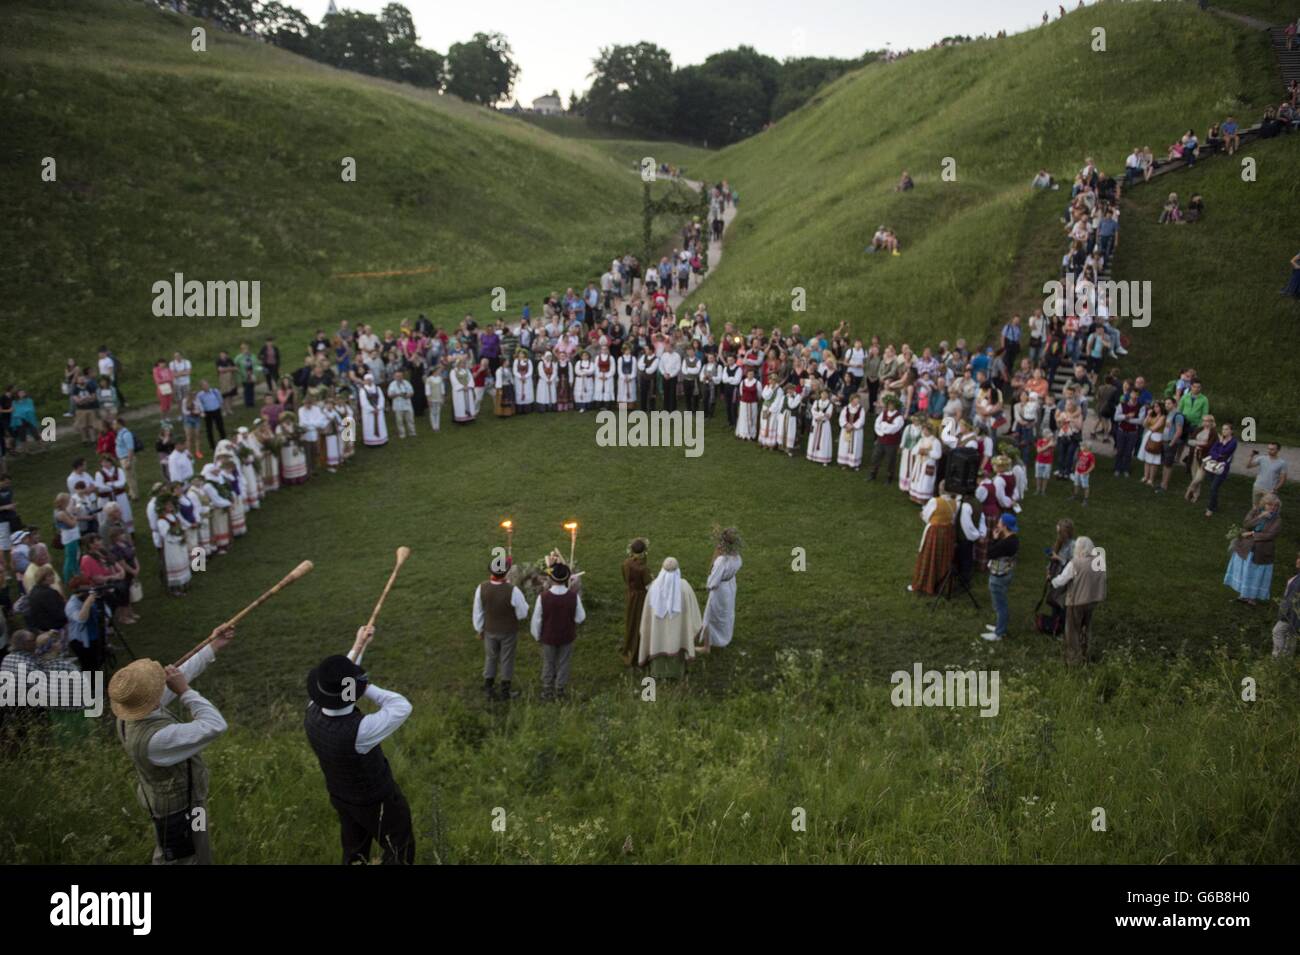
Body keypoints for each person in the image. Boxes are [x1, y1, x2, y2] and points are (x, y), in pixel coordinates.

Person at [108, 623, 234, 865]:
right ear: (152, 698)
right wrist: (185, 691)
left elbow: (178, 674)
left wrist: (212, 646)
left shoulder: (131, 713)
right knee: (189, 856)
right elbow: (215, 724)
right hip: (182, 809)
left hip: (168, 801)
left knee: (180, 849)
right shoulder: (157, 740)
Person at [304, 625, 415, 865]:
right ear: (353, 690)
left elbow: (336, 677)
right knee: (399, 847)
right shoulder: (360, 731)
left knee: (354, 850)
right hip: (377, 800)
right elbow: (402, 706)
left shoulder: (311, 709)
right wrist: (364, 685)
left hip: (340, 795)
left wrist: (359, 645)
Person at [472, 559, 529, 701]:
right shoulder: (513, 590)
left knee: (491, 657)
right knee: (507, 659)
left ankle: (488, 688)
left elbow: (477, 611)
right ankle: (505, 691)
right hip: (508, 631)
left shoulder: (482, 587)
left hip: (490, 630)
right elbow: (523, 613)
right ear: (506, 573)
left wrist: (479, 628)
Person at [637, 557, 702, 679]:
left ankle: (658, 671)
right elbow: (694, 611)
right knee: (675, 641)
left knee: (658, 640)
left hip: (658, 633)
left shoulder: (654, 587)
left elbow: (647, 613)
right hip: (678, 631)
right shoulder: (685, 587)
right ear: (677, 570)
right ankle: (676, 671)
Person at [530, 560, 585, 701]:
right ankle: (560, 689)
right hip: (567, 635)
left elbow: (537, 619)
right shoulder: (573, 597)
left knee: (548, 662)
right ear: (567, 579)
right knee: (564, 662)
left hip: (548, 636)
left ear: (551, 579)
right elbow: (580, 618)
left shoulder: (543, 597)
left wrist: (537, 635)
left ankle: (547, 689)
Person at [1051, 537, 1108, 666]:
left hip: (1076, 601)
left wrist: (1052, 581)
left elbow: (1061, 580)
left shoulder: (1075, 563)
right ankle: (1085, 654)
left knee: (1072, 631)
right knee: (1086, 628)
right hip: (1092, 600)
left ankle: (1073, 661)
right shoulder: (1099, 561)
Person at [1225, 495, 1282, 606]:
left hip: (1262, 551)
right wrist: (1261, 516)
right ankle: (1243, 595)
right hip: (1246, 548)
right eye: (1270, 504)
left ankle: (1252, 598)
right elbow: (1246, 524)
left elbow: (1269, 535)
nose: (1273, 508)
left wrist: (1251, 533)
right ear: (1263, 504)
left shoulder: (1277, 519)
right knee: (1245, 571)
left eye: (1276, 506)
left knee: (1255, 573)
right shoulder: (1255, 511)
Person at [699, 526, 743, 649]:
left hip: (720, 590)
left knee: (712, 614)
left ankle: (709, 643)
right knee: (726, 613)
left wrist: (715, 557)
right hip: (730, 586)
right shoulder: (737, 558)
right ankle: (724, 636)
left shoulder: (721, 561)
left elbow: (712, 581)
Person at [909, 487, 956, 596]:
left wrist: (922, 515)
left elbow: (926, 517)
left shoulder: (935, 501)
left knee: (929, 556)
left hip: (934, 532)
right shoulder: (954, 502)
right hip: (948, 532)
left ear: (940, 489)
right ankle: (940, 584)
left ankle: (924, 583)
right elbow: (952, 518)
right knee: (943, 558)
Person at [982, 513, 1019, 642]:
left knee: (1000, 605)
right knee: (999, 603)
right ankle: (999, 626)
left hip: (999, 577)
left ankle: (999, 633)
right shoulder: (1014, 539)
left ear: (1004, 526)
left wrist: (995, 539)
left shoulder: (1005, 543)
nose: (997, 523)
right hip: (1007, 573)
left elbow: (990, 553)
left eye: (1000, 522)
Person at [620, 539, 650, 666]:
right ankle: (637, 652)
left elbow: (624, 577)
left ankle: (627, 646)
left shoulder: (626, 563)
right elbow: (648, 585)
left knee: (630, 621)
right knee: (639, 622)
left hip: (631, 594)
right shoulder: (643, 569)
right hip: (641, 597)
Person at [1203, 422, 1238, 517]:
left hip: (1222, 468)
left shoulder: (1233, 442)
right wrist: (1219, 455)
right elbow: (1211, 451)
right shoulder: (1220, 440)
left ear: (1231, 431)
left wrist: (1220, 449)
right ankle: (1215, 505)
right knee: (1213, 488)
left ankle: (1210, 508)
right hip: (1212, 466)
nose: (1224, 431)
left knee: (1213, 488)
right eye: (1223, 429)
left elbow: (1226, 452)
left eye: (1226, 429)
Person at [1273, 552, 1300, 657]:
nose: (1298, 560)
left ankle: (1281, 660)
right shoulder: (1297, 576)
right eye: (1298, 557)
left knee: (1282, 632)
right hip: (1289, 612)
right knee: (1284, 633)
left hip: (1294, 614)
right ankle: (1282, 659)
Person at [1245, 443, 1287, 507]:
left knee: (1267, 509)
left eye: (1272, 449)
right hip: (1257, 487)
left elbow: (1283, 479)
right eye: (1269, 449)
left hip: (1270, 490)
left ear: (1278, 450)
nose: (1269, 451)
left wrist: (1275, 489)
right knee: (1255, 507)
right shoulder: (1262, 458)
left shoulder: (1282, 463)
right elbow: (1248, 466)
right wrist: (1251, 456)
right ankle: (1255, 516)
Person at [357, 374, 389, 445]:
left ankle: (381, 439)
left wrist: (379, 407)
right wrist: (372, 409)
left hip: (378, 411)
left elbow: (382, 398)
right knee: (370, 426)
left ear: (372, 380)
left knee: (380, 424)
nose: (369, 381)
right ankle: (371, 441)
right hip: (368, 412)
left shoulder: (378, 388)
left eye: (370, 379)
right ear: (365, 381)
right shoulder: (362, 390)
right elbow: (363, 402)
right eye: (367, 380)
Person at [387, 371, 415, 439]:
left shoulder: (406, 383)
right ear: (394, 377)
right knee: (399, 421)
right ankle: (402, 434)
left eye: (400, 376)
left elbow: (412, 392)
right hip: (398, 405)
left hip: (407, 404)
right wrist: (398, 394)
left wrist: (408, 395)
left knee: (410, 419)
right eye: (397, 376)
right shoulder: (392, 384)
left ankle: (412, 432)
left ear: (403, 376)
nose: (399, 377)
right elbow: (389, 395)